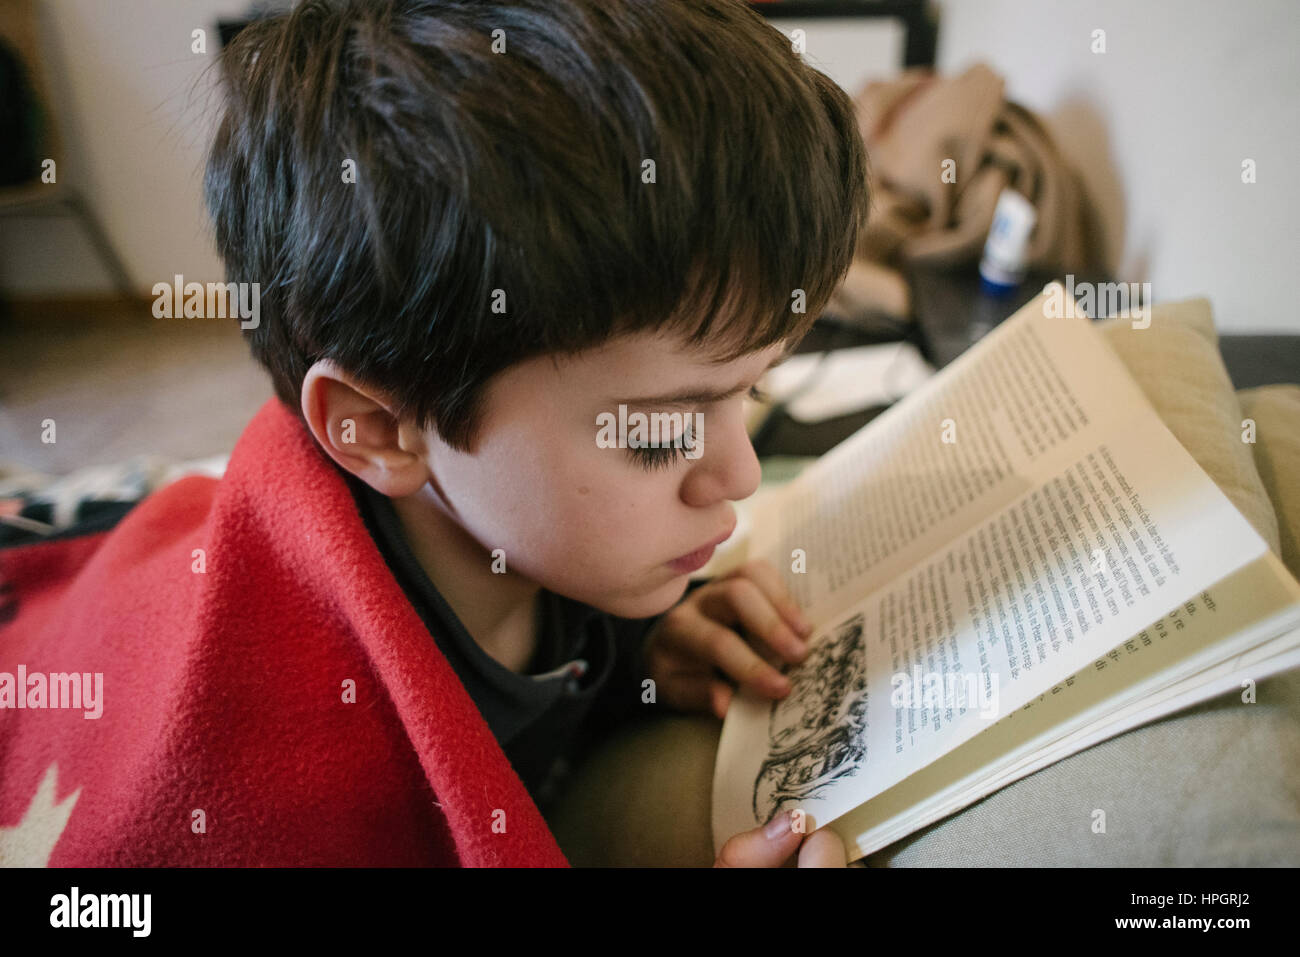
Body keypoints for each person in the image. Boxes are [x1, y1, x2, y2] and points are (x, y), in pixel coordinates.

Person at [0, 0, 868, 867]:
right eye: (657, 430)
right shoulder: (264, 801)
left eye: (752, 392)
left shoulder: (519, 531)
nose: (741, 474)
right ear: (380, 428)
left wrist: (640, 652)